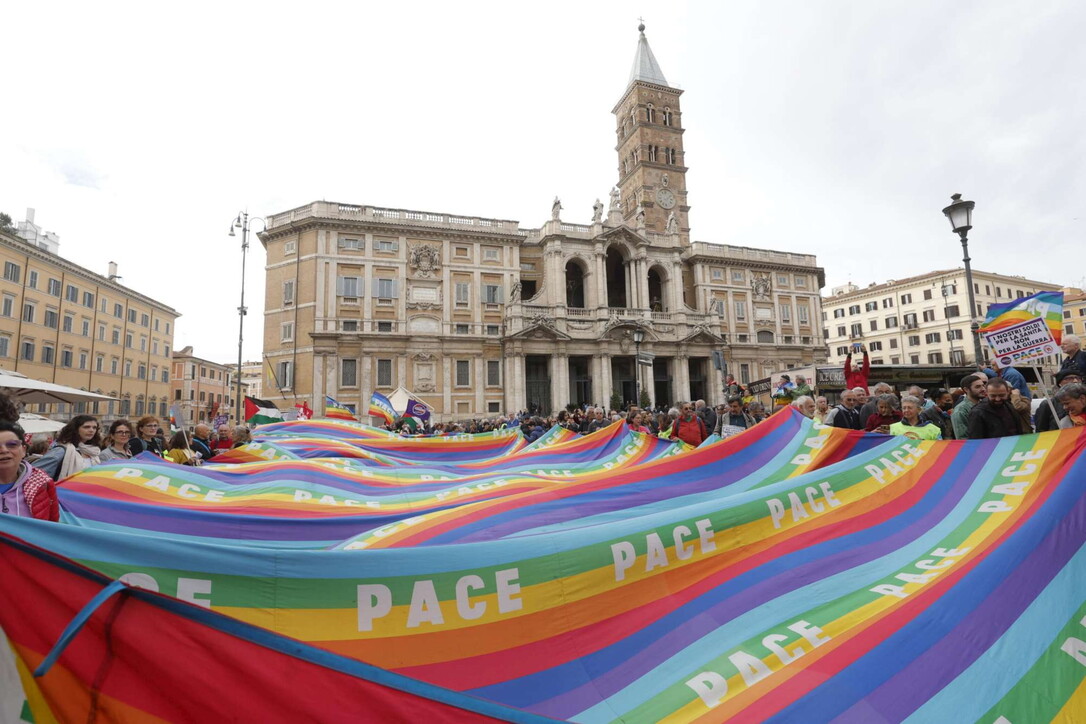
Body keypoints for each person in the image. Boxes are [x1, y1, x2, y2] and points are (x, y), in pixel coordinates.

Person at [0, 421, 59, 521]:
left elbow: (52, 526)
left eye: (12, 445)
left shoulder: (43, 483)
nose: (4, 450)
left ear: (23, 450)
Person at [33, 415, 102, 481]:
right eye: (86, 427)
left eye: (94, 427)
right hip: (65, 491)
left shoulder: (93, 452)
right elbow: (36, 471)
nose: (91, 430)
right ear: (76, 429)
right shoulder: (62, 450)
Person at [1035, 368, 1083, 432]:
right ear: (1060, 383)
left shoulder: (1083, 401)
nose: (1075, 381)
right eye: (1069, 378)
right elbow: (1041, 430)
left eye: (1078, 378)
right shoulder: (1048, 405)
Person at [952, 374, 988, 440]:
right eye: (978, 387)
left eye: (983, 385)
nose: (983, 389)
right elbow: (962, 438)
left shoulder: (985, 405)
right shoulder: (960, 411)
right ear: (966, 389)